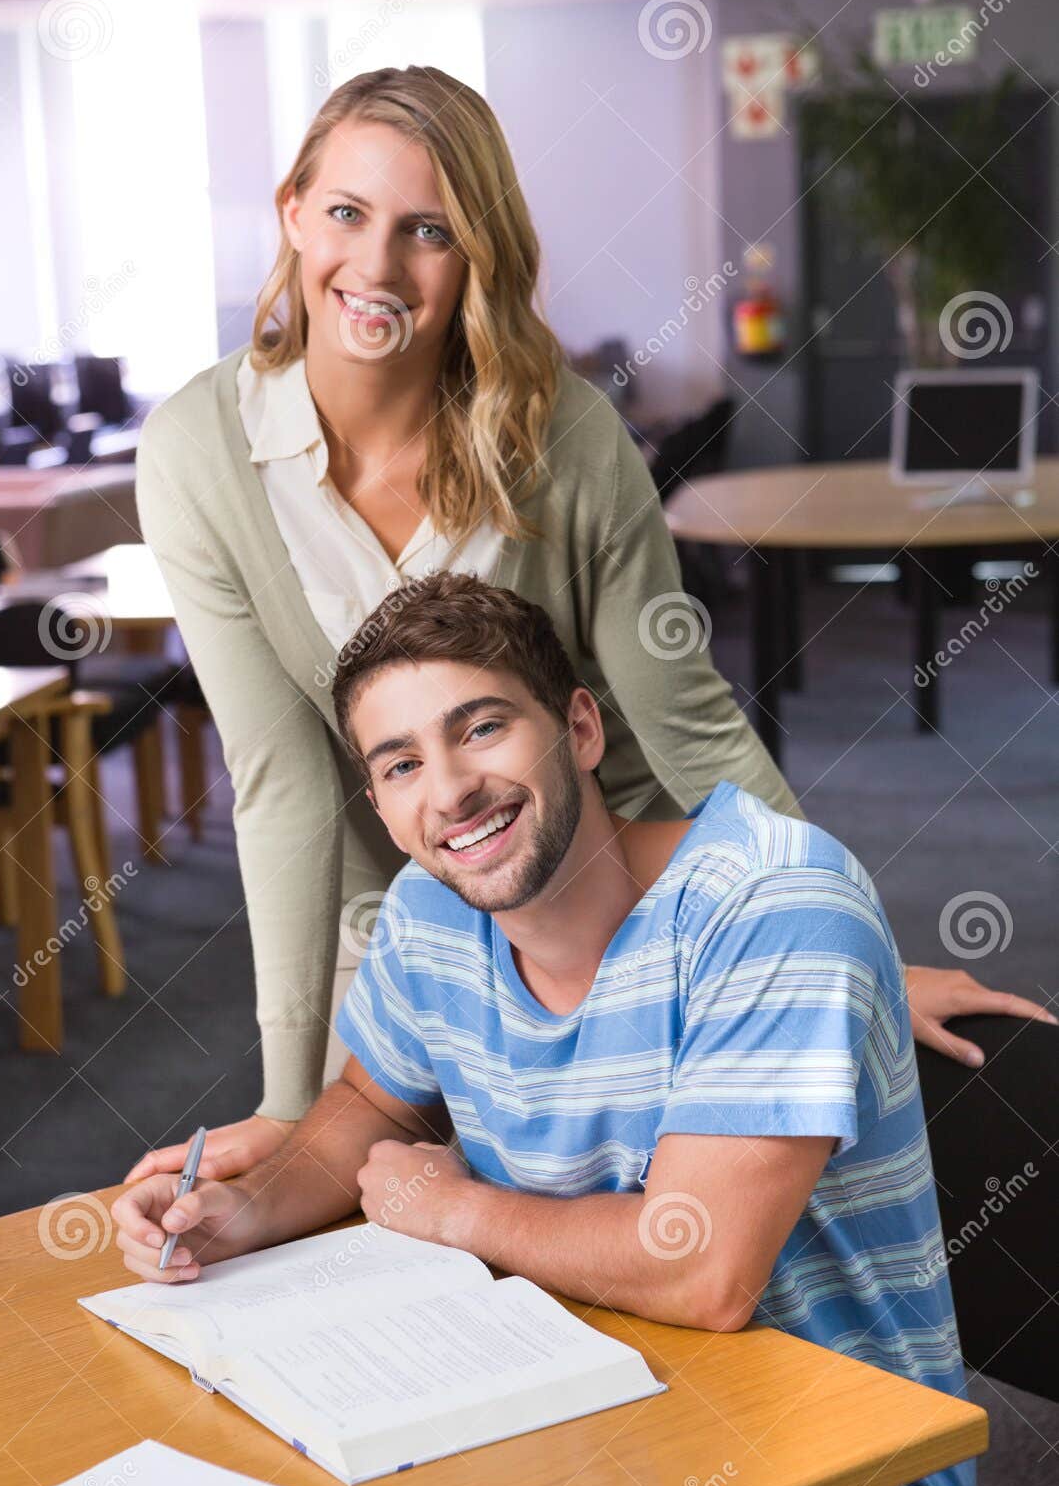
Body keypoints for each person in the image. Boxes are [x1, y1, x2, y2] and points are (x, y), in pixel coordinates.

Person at [127, 64, 1052, 1188]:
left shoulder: (560, 432)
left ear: (478, 254)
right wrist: (286, 1102)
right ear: (291, 211)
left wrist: (838, 947)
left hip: (601, 906)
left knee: (634, 1248)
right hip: (399, 936)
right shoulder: (197, 453)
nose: (373, 267)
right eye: (345, 213)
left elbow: (690, 722)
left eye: (427, 230)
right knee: (359, 1241)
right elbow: (284, 778)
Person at [112, 573, 976, 1486]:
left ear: (578, 728)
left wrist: (452, 1211)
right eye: (400, 765)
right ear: (382, 805)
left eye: (480, 729)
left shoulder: (771, 902)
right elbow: (374, 1103)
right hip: (572, 1437)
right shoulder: (429, 912)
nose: (448, 791)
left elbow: (702, 1270)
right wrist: (250, 1209)